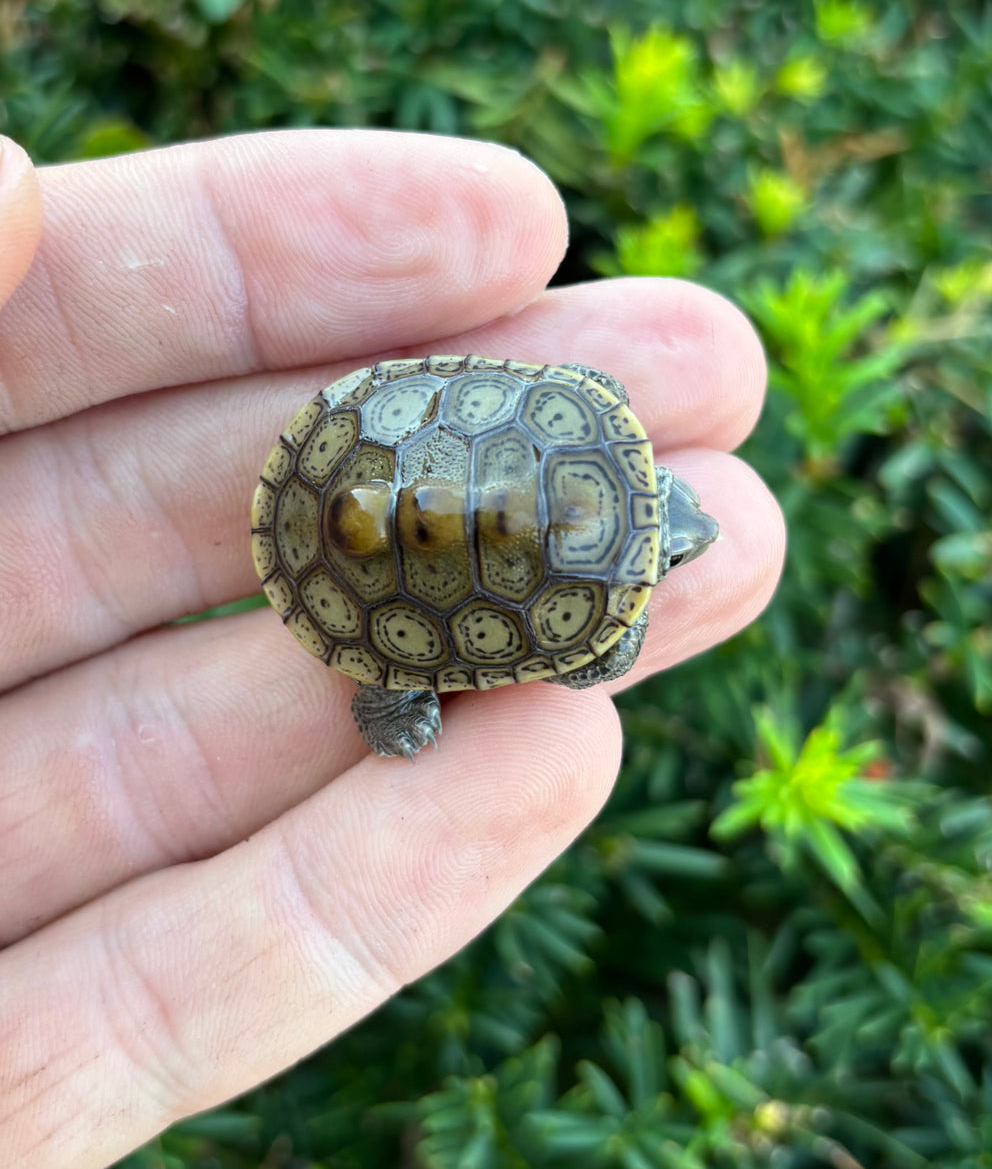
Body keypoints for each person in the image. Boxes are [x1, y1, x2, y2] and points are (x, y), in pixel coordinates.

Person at [0, 129, 784, 1168]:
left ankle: (390, 694)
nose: (681, 534)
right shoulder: (599, 599)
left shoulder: (594, 412)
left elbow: (521, 408)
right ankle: (388, 698)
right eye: (672, 537)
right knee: (471, 688)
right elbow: (588, 662)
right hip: (370, 544)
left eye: (675, 535)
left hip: (363, 457)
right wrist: (598, 638)